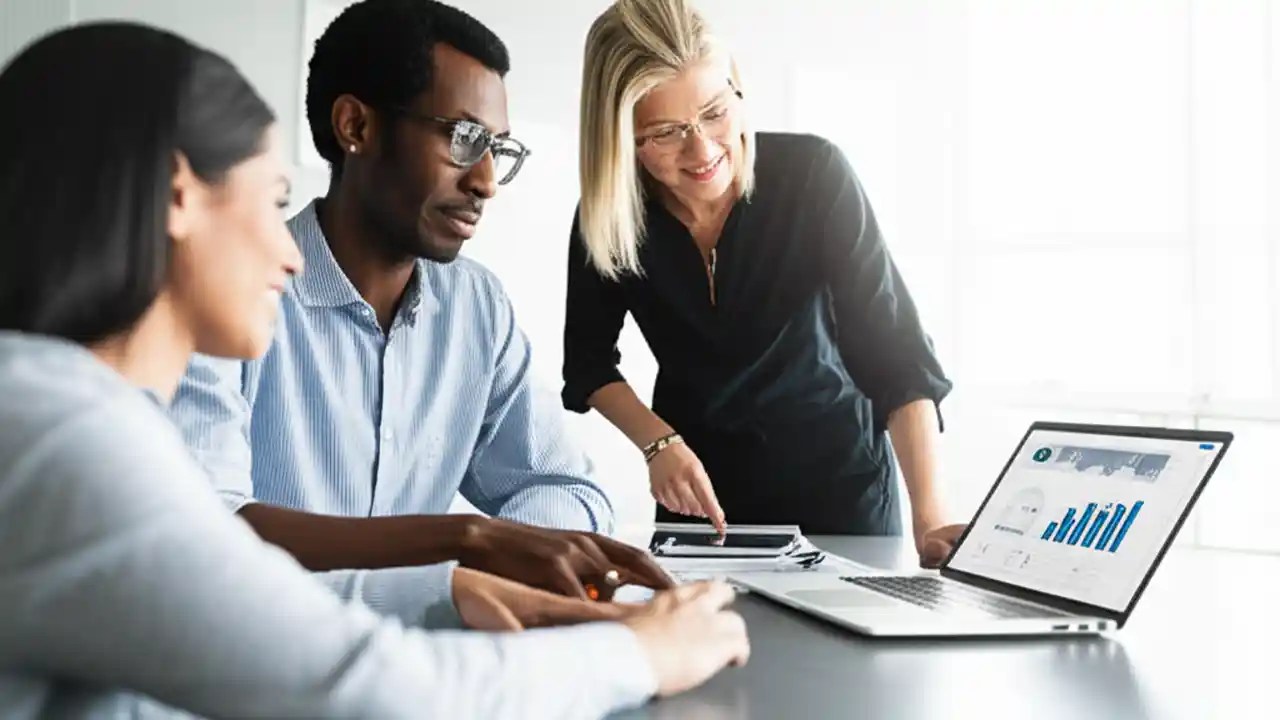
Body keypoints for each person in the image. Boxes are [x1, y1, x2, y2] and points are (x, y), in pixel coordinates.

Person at [0, 21, 749, 719]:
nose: (288, 251)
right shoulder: (62, 438)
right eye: (273, 200)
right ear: (178, 196)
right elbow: (360, 681)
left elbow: (258, 601)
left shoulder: (56, 408)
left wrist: (457, 588)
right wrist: (639, 651)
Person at [169, 0, 670, 615]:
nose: (485, 179)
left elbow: (568, 487)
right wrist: (466, 551)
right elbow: (202, 535)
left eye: (496, 149)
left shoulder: (476, 309)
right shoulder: (227, 295)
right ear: (355, 126)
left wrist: (501, 559)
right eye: (463, 139)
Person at [563, 0, 966, 566]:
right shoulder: (607, 214)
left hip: (841, 499)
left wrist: (932, 518)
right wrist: (659, 443)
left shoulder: (814, 175)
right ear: (620, 138)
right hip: (702, 512)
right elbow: (586, 365)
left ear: (737, 89)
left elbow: (896, 357)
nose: (702, 150)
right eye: (665, 132)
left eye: (714, 112)